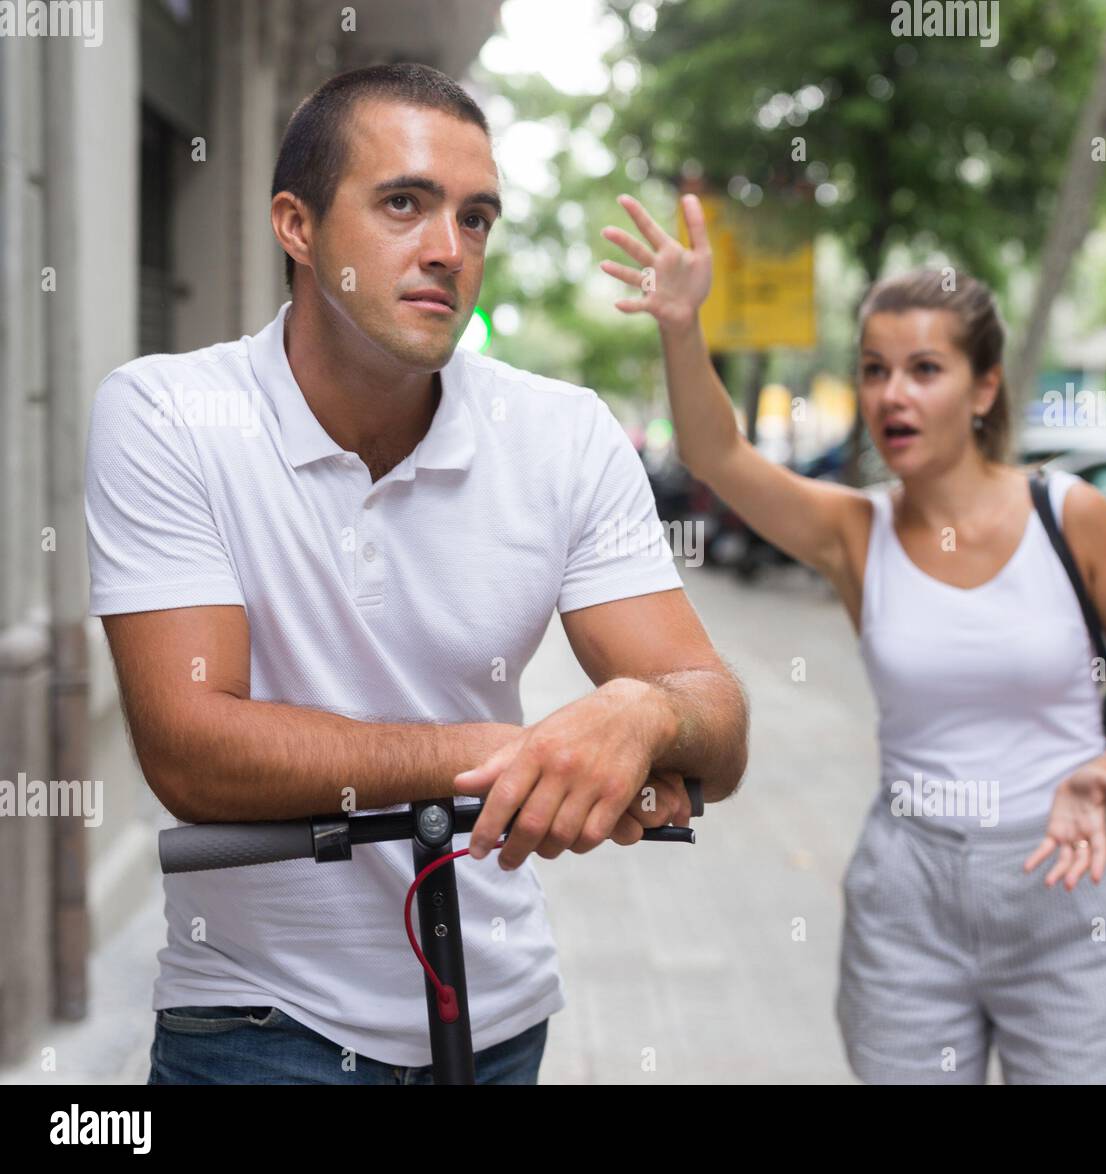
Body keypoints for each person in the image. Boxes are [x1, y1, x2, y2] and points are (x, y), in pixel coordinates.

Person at [84, 65, 748, 1086]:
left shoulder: (561, 433)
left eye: (476, 217)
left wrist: (640, 719)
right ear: (295, 227)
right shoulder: (169, 414)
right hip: (255, 1024)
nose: (448, 248)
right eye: (404, 203)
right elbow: (193, 750)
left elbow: (715, 722)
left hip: (495, 1017)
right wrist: (505, 753)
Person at [599, 192, 1106, 1083]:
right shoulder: (856, 531)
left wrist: (1099, 775)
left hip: (1068, 881)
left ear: (984, 387)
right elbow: (716, 453)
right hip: (908, 895)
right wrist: (683, 325)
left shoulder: (1071, 516)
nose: (893, 394)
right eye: (876, 370)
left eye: (925, 369)